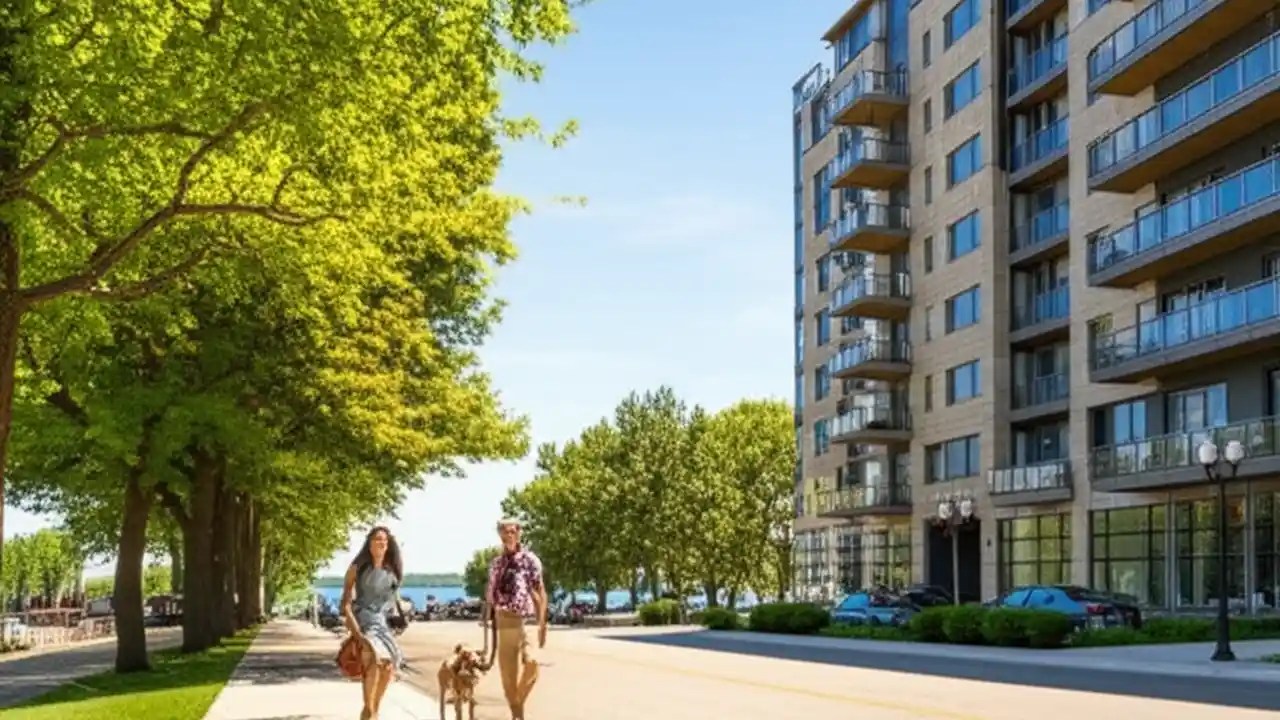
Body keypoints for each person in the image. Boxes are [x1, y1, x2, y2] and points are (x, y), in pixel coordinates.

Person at [341, 526, 406, 720]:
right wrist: (355, 632)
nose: (381, 543)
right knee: (373, 659)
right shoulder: (357, 568)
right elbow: (345, 604)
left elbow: (393, 601)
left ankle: (371, 710)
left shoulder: (391, 572)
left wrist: (401, 613)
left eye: (384, 540)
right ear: (369, 543)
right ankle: (369, 711)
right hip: (363, 618)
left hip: (381, 621)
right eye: (377, 539)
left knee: (387, 667)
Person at [485, 518, 547, 720]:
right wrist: (489, 616)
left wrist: (543, 624)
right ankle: (517, 714)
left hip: (525, 619)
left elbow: (540, 591)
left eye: (513, 531)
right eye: (505, 532)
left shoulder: (530, 560)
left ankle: (517, 703)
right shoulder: (496, 564)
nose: (509, 535)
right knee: (508, 678)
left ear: (519, 533)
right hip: (503, 621)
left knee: (532, 663)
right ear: (500, 535)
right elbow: (490, 594)